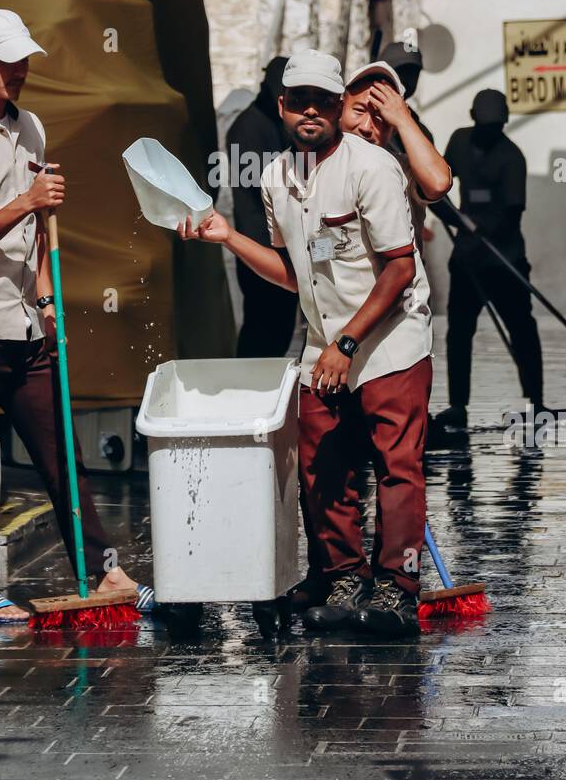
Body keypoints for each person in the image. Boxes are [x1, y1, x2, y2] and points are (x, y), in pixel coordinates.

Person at [178, 48, 433, 637]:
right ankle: (345, 576)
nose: (312, 111)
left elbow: (397, 268)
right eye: (300, 102)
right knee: (322, 459)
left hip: (390, 336)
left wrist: (345, 345)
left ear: (341, 106)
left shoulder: (372, 168)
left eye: (324, 100)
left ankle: (398, 589)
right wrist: (227, 237)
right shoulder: (276, 176)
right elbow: (293, 271)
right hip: (327, 340)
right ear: (283, 107)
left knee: (397, 466)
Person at [0, 9, 147, 622]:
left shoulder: (31, 128)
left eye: (24, 59)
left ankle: (104, 572)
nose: (20, 70)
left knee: (62, 454)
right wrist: (25, 200)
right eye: (7, 60)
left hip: (27, 322)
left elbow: (43, 227)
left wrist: (48, 299)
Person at [437, 88, 543, 431]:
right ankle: (457, 405)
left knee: (522, 328)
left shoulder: (512, 157)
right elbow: (438, 183)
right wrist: (452, 216)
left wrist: (481, 230)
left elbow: (513, 214)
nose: (491, 133)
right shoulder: (459, 142)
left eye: (497, 127)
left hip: (504, 260)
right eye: (486, 126)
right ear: (473, 118)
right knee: (459, 332)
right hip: (467, 260)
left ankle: (537, 400)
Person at [226, 56, 298, 356]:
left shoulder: (273, 123)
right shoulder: (249, 127)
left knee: (278, 329)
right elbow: (261, 191)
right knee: (262, 330)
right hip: (259, 247)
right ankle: (248, 394)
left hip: (278, 247)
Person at [341, 59, 452, 249]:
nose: (366, 127)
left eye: (380, 117)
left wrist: (403, 119)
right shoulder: (316, 164)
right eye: (358, 111)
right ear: (340, 109)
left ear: (393, 128)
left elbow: (438, 183)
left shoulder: (403, 170)